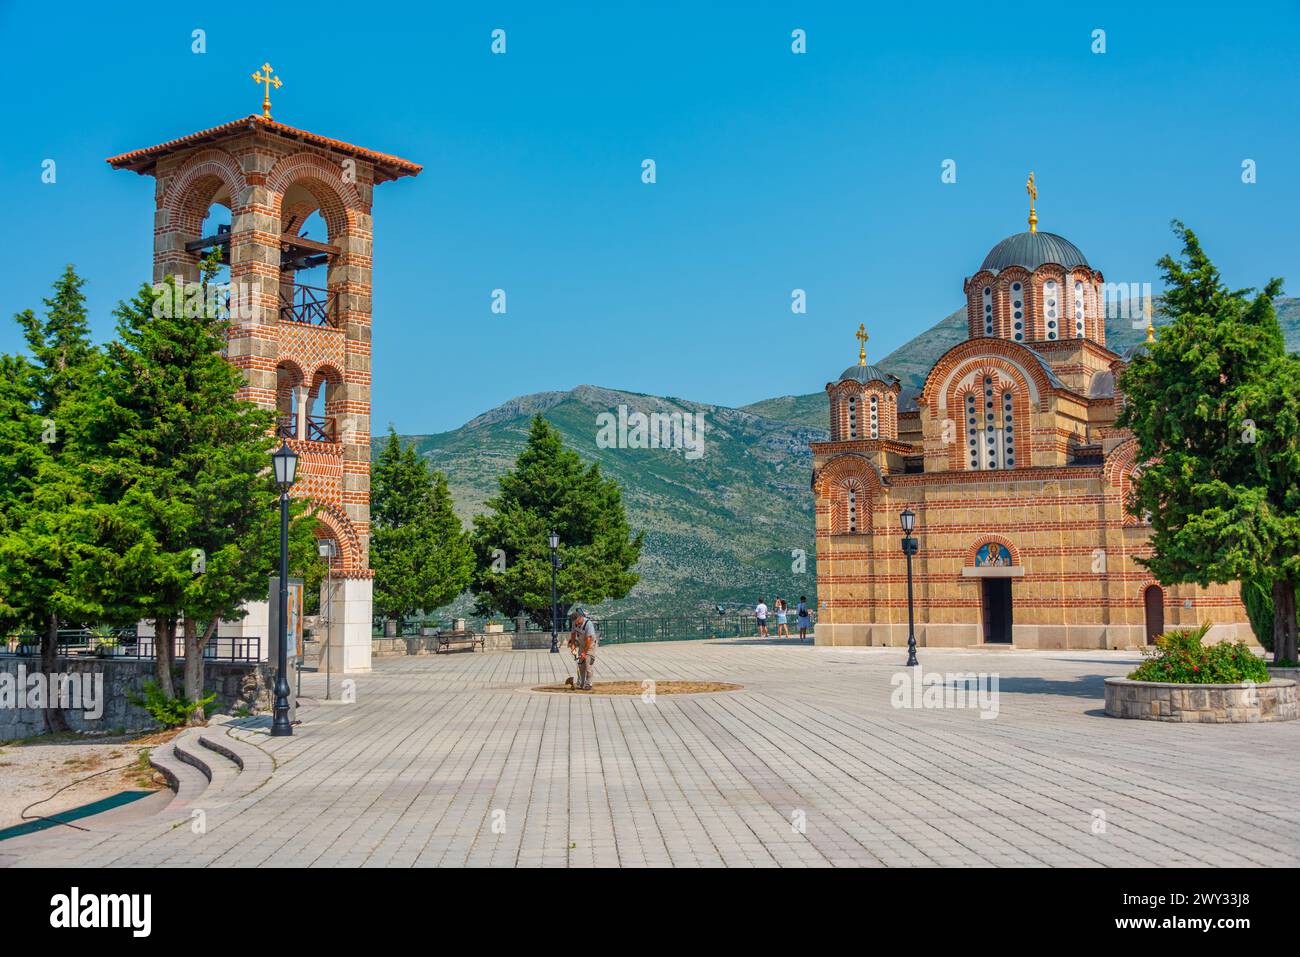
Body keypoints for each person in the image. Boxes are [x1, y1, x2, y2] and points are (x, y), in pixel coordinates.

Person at [570, 607, 599, 691]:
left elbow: (589, 639)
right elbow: (573, 633)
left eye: (577, 622)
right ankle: (582, 682)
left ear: (580, 618)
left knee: (587, 665)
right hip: (582, 644)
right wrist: (573, 645)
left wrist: (584, 653)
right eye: (574, 623)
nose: (576, 624)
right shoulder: (574, 623)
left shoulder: (588, 624)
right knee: (580, 665)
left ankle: (588, 683)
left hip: (590, 645)